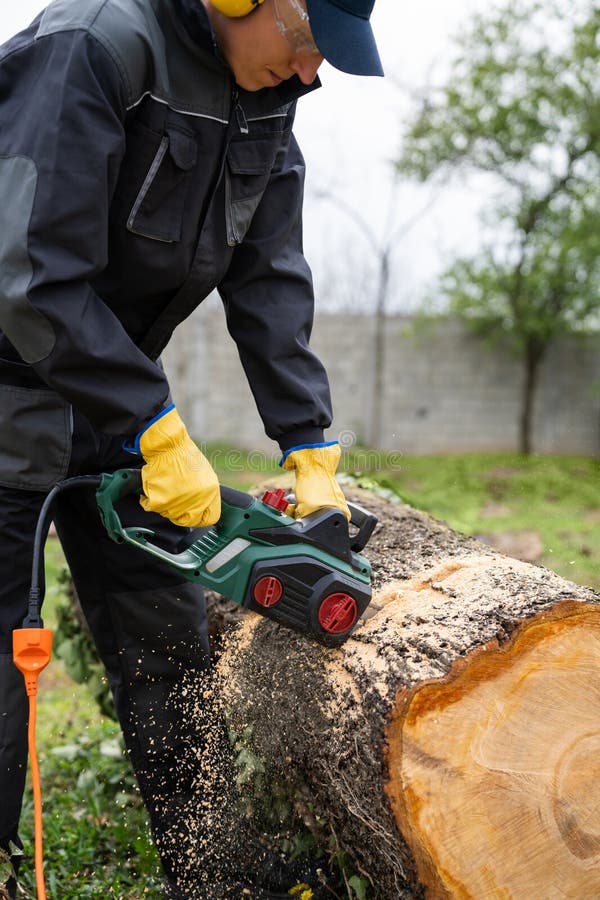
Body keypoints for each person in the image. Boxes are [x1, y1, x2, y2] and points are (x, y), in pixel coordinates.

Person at [0, 0, 382, 896]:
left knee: (167, 637)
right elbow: (31, 273)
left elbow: (270, 274)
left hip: (109, 399)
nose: (309, 75)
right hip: (12, 378)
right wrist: (157, 425)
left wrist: (308, 444)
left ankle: (211, 868)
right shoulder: (94, 47)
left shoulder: (265, 94)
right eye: (304, 44)